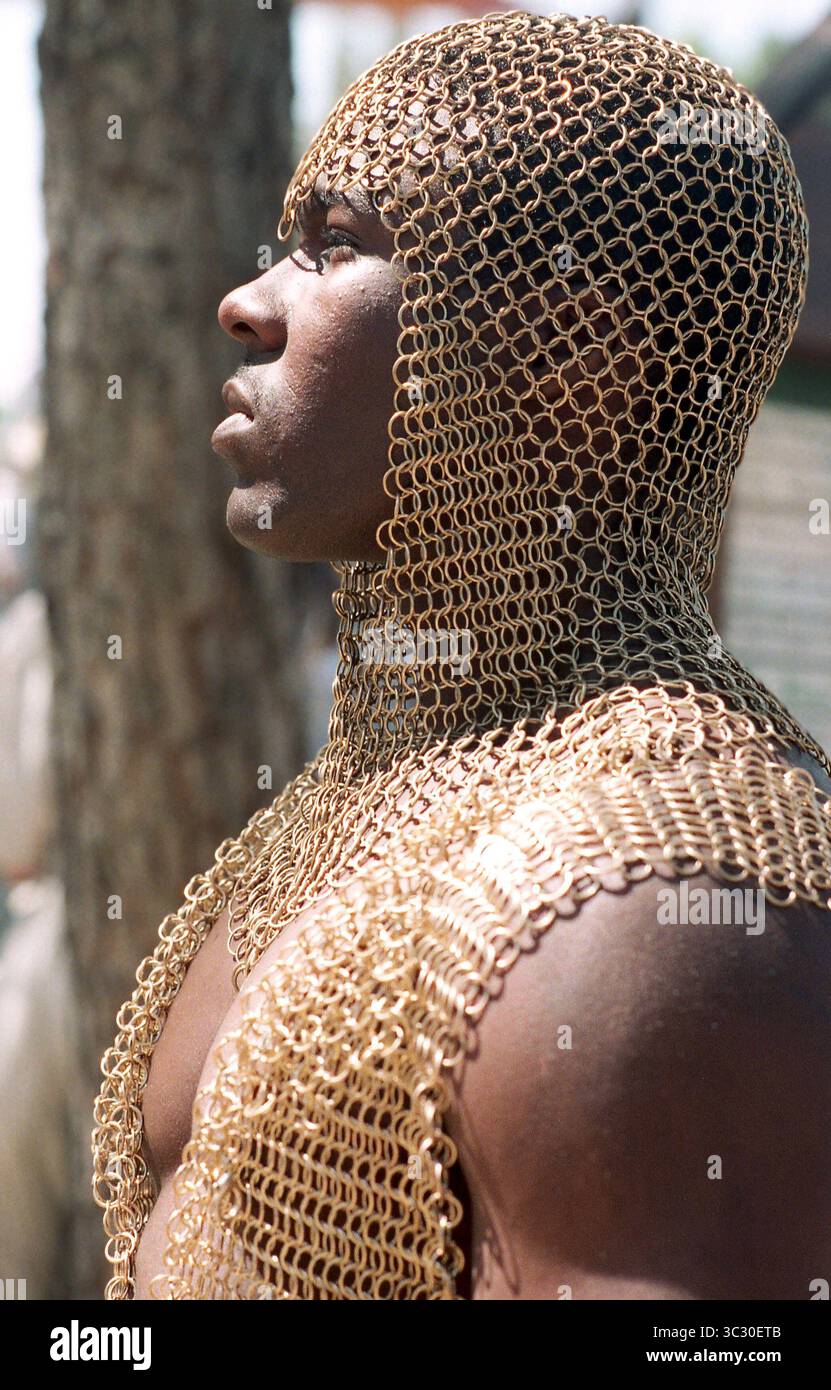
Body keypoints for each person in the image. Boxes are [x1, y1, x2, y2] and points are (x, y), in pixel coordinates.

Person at [93, 11, 831, 1300]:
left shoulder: (671, 892)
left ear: (576, 356)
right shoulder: (364, 806)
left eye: (334, 247)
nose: (246, 303)